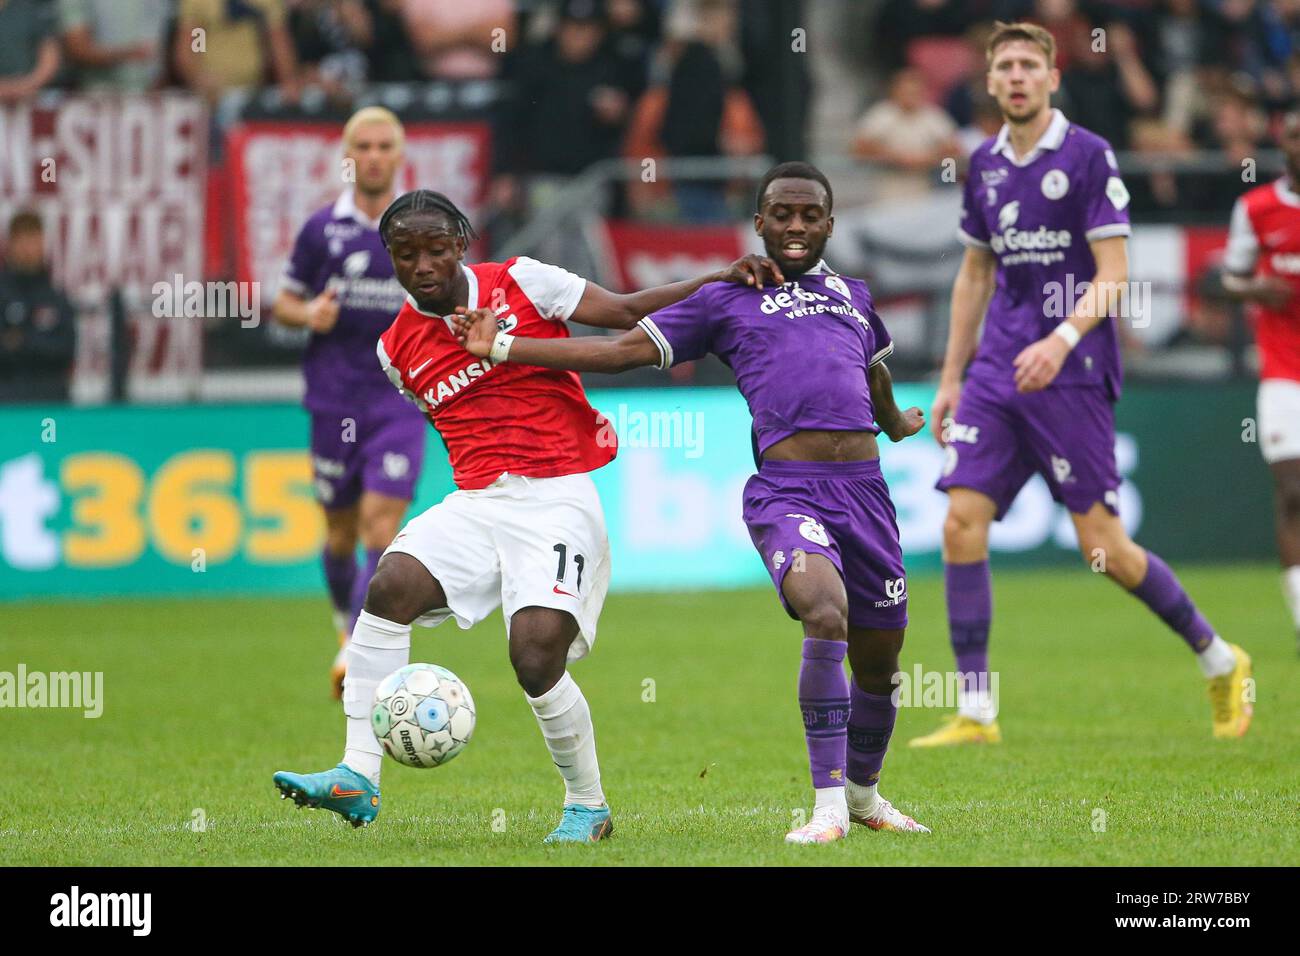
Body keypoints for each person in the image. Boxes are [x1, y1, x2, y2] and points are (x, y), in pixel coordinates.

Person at [273, 188, 775, 841]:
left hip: (556, 494)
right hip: (480, 501)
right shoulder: (393, 350)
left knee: (535, 654)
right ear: (390, 257)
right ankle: (358, 775)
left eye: (436, 249)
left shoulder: (522, 281)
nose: (422, 265)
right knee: (390, 586)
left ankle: (587, 806)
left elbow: (623, 310)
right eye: (406, 253)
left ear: (461, 244)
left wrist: (718, 279)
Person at [455, 162, 932, 844]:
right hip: (789, 493)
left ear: (830, 224)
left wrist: (895, 423)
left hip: (868, 494)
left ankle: (864, 796)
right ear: (759, 222)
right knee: (825, 613)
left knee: (880, 666)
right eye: (782, 214)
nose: (796, 226)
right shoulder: (727, 297)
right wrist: (504, 346)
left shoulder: (852, 295)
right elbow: (623, 349)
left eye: (810, 215)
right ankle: (828, 807)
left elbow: (874, 370)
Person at [913, 21, 1252, 748]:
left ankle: (1219, 657)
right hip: (997, 372)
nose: (1016, 77)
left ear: (1052, 77)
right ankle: (976, 710)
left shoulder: (1089, 155)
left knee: (1104, 548)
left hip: (1072, 374)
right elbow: (975, 273)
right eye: (1004, 66)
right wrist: (950, 377)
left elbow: (1115, 275)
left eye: (1028, 65)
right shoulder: (984, 163)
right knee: (960, 522)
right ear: (990, 80)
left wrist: (1061, 340)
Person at [271, 107, 421, 699]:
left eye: (385, 146)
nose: (375, 156)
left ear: (400, 155)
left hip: (399, 398)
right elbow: (284, 303)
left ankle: (356, 647)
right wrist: (309, 312)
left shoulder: (421, 228)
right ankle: (344, 624)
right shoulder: (321, 231)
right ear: (347, 156)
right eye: (364, 145)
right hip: (334, 399)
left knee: (379, 525)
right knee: (338, 533)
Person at [1222, 109, 1300, 654]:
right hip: (1283, 373)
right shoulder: (1256, 208)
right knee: (1293, 492)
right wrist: (1255, 290)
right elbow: (1226, 278)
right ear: (1282, 144)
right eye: (1295, 136)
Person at [0, 212, 77, 404]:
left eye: (33, 239)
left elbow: (66, 350)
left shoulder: (56, 297)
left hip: (50, 402)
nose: (27, 248)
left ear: (43, 243)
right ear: (10, 244)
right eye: (22, 240)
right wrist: (38, 343)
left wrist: (22, 342)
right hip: (6, 403)